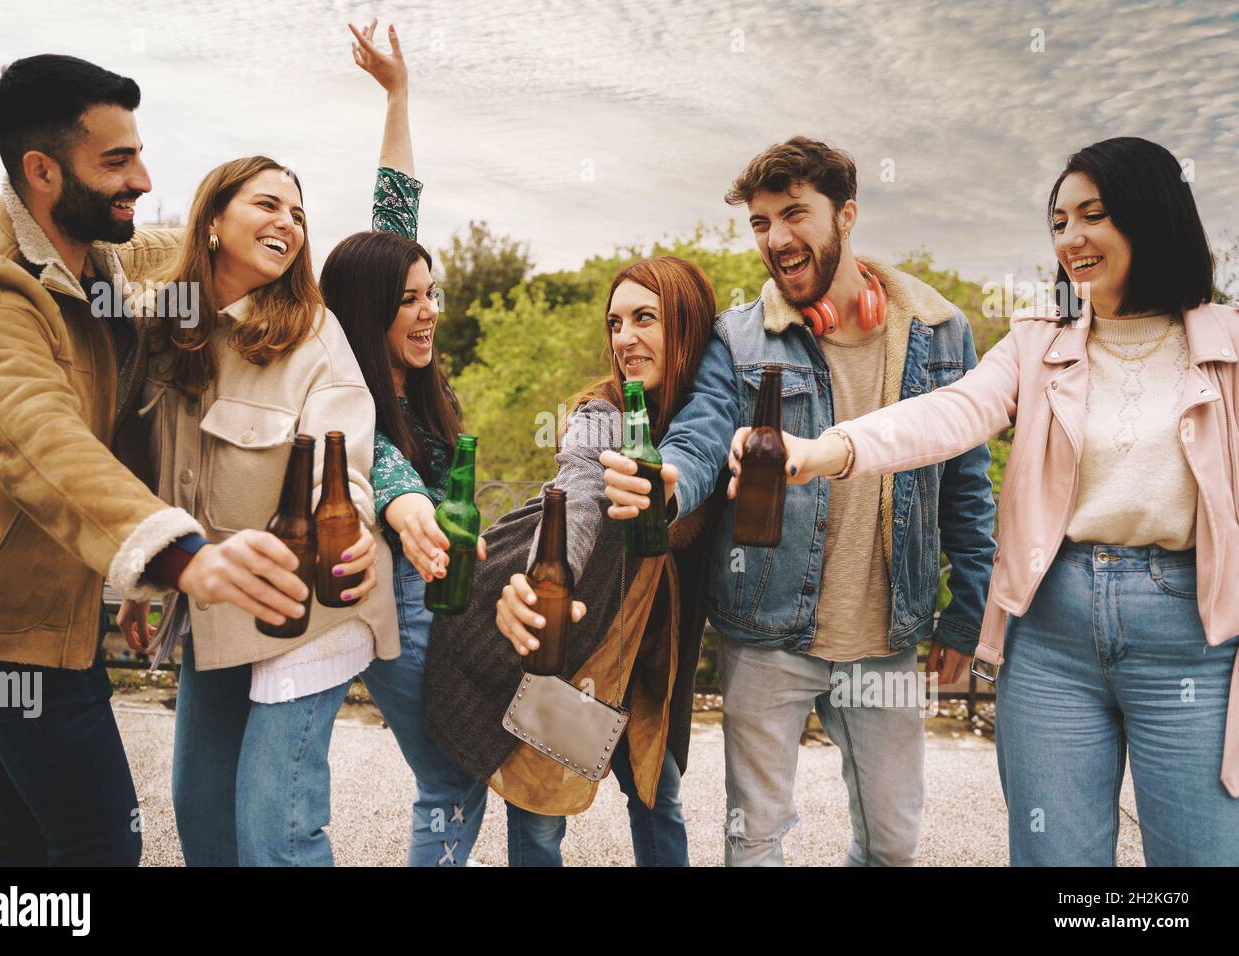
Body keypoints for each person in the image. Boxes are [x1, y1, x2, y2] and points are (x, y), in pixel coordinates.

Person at [734, 136, 1239, 866]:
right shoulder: (1039, 341)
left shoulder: (1227, 346)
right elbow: (951, 414)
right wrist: (829, 450)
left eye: (1092, 216)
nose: (1071, 239)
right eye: (1059, 222)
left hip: (1192, 637)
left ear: (1151, 215)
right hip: (1052, 632)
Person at [0, 54, 306, 866]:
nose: (141, 178)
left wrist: (279, 233)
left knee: (23, 834)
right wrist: (176, 555)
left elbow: (194, 252)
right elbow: (42, 440)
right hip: (10, 626)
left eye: (138, 153)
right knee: (103, 844)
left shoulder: (95, 252)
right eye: (116, 161)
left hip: (62, 602)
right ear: (41, 170)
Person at [602, 137, 998, 866]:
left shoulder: (940, 334)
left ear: (846, 214)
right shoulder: (737, 337)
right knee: (754, 842)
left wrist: (967, 611)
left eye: (794, 214)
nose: (777, 239)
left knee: (892, 844)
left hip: (888, 634)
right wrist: (673, 481)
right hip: (765, 633)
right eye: (760, 223)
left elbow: (967, 482)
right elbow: (698, 434)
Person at [114, 22, 405, 867]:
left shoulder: (315, 334)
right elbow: (151, 477)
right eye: (268, 203)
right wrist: (139, 580)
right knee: (201, 822)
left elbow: (341, 471)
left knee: (272, 835)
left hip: (313, 607)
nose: (289, 223)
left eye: (300, 214)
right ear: (213, 219)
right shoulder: (165, 330)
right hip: (215, 608)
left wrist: (397, 96)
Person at [423, 257, 720, 866]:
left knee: (657, 799)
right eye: (615, 322)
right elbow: (580, 496)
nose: (625, 338)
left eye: (645, 319)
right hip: (576, 652)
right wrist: (539, 582)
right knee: (539, 817)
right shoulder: (599, 418)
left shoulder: (708, 425)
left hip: (645, 664)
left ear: (687, 326)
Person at [318, 24, 499, 866]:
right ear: (367, 310)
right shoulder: (339, 382)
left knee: (460, 773)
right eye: (408, 299)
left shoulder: (423, 395)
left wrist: (398, 97)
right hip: (388, 594)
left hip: (440, 595)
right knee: (452, 771)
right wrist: (403, 494)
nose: (428, 311)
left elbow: (397, 213)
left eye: (433, 294)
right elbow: (366, 452)